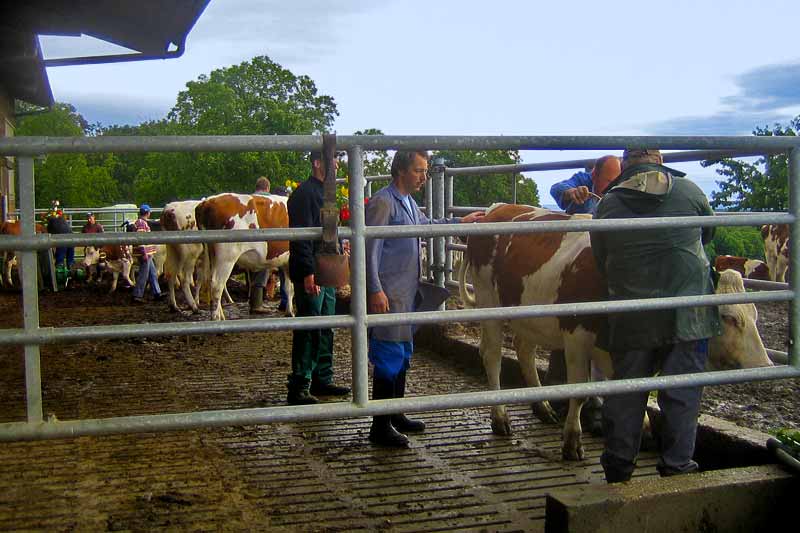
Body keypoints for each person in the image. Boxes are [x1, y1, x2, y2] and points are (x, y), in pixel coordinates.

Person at [589, 148, 721, 483]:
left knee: (628, 390)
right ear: (659, 160)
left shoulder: (608, 204)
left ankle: (618, 466)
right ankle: (677, 467)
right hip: (689, 314)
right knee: (682, 391)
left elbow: (601, 258)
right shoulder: (691, 191)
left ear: (626, 165)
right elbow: (708, 237)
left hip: (633, 314)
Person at [365, 150, 484, 447]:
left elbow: (429, 224)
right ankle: (379, 426)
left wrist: (460, 223)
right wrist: (374, 288)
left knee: (403, 354)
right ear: (401, 171)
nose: (424, 176)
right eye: (419, 170)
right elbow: (370, 250)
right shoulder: (383, 201)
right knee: (388, 356)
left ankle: (396, 414)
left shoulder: (408, 202)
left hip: (406, 292)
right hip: (389, 293)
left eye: (425, 170)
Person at [286, 152, 351, 405]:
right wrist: (306, 272)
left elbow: (330, 230)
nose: (336, 164)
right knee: (310, 326)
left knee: (326, 325)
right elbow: (301, 236)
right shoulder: (304, 194)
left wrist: (340, 247)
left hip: (327, 267)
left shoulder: (327, 194)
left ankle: (322, 378)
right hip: (313, 269)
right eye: (331, 160)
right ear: (316, 163)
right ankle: (300, 384)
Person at [549, 156, 622, 214]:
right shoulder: (582, 180)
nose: (613, 187)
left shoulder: (623, 187)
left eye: (617, 182)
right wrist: (570, 192)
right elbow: (556, 188)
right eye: (609, 182)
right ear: (594, 176)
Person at [250, 176, 275, 315]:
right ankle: (257, 304)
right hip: (263, 240)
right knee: (262, 267)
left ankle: (253, 301)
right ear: (267, 188)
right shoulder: (271, 201)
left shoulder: (249, 199)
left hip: (246, 238)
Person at [132, 204, 164, 303]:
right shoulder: (142, 224)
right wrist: (143, 252)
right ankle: (137, 295)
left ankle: (157, 293)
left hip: (148, 253)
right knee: (143, 274)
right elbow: (140, 239)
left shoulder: (140, 222)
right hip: (145, 253)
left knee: (152, 274)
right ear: (148, 213)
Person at [45, 200, 74, 268]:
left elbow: (49, 232)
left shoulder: (51, 221)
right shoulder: (61, 219)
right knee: (70, 257)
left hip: (62, 237)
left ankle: (60, 268)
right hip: (71, 236)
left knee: (60, 258)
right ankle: (71, 267)